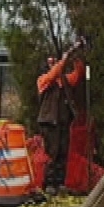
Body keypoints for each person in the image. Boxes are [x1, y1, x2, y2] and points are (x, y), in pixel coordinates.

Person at [36, 37, 88, 190]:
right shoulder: (43, 80)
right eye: (50, 63)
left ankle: (59, 183)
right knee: (51, 154)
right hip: (49, 123)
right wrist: (64, 59)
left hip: (63, 122)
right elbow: (54, 74)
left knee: (63, 154)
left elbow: (78, 74)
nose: (53, 64)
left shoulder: (64, 80)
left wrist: (77, 58)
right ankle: (48, 183)